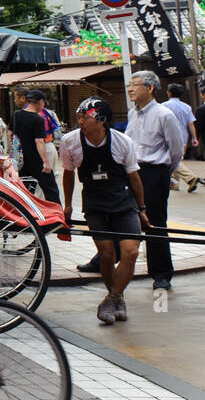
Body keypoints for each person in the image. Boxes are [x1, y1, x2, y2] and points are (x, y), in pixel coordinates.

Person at [79, 72, 183, 288]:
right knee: (119, 215)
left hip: (154, 172)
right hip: (128, 171)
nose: (130, 89)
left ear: (150, 88)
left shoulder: (165, 114)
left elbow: (176, 150)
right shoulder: (133, 114)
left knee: (154, 223)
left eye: (134, 85)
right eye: (129, 85)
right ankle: (104, 259)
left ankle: (161, 273)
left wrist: (164, 173)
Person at [60, 98, 147, 325]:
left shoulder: (122, 142)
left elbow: (134, 176)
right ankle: (116, 297)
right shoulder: (70, 142)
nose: (80, 121)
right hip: (94, 201)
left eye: (85, 117)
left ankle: (113, 298)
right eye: (78, 116)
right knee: (107, 254)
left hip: (123, 199)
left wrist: (142, 209)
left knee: (130, 252)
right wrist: (67, 205)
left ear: (102, 121)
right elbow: (68, 174)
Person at [12, 89, 60, 204]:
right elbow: (40, 141)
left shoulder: (16, 115)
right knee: (50, 189)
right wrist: (46, 162)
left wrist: (13, 156)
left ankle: (28, 216)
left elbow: (11, 135)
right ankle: (55, 217)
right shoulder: (39, 117)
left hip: (22, 158)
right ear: (41, 102)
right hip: (38, 156)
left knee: (26, 190)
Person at [162, 84, 200, 194]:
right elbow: (191, 124)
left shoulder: (163, 106)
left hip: (168, 137)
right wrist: (194, 137)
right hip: (183, 137)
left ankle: (191, 178)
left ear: (169, 93)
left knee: (173, 160)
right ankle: (174, 184)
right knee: (176, 160)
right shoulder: (186, 107)